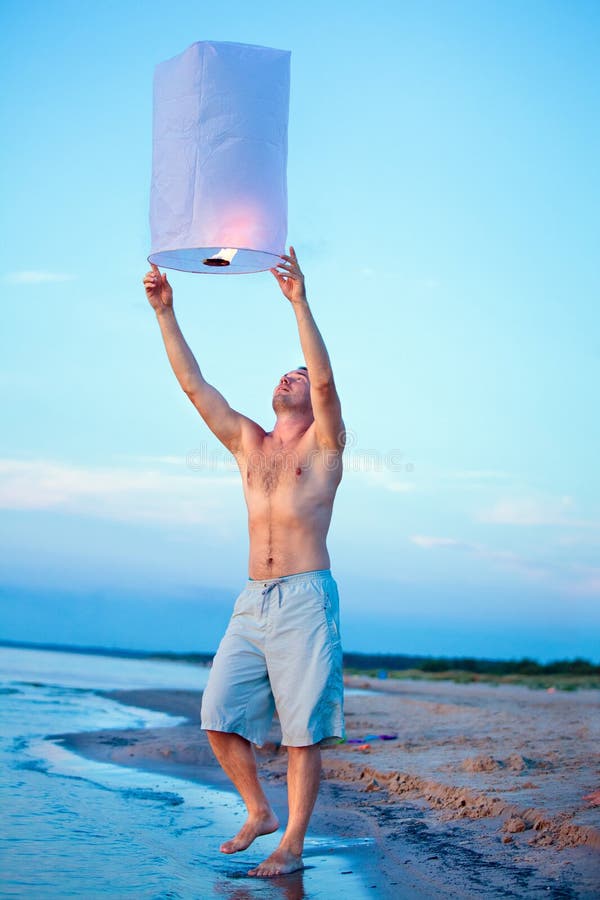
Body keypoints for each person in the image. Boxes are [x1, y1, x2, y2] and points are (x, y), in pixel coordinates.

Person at [143, 246, 345, 877]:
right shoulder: (248, 443)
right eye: (283, 374)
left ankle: (293, 846)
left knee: (301, 733)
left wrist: (299, 303)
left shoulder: (326, 445)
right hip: (252, 600)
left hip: (306, 595)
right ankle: (260, 811)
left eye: (298, 377)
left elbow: (328, 381)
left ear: (311, 400)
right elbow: (194, 387)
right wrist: (165, 314)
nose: (290, 378)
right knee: (217, 716)